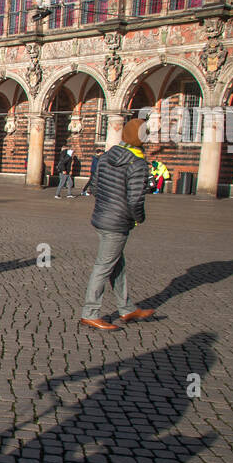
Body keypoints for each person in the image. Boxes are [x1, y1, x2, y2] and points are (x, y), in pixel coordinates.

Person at [80, 119, 156, 331]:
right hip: (118, 222)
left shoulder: (105, 158)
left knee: (116, 265)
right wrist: (139, 218)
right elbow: (135, 200)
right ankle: (90, 312)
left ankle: (126, 308)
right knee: (103, 267)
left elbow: (94, 186)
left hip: (101, 217)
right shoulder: (138, 164)